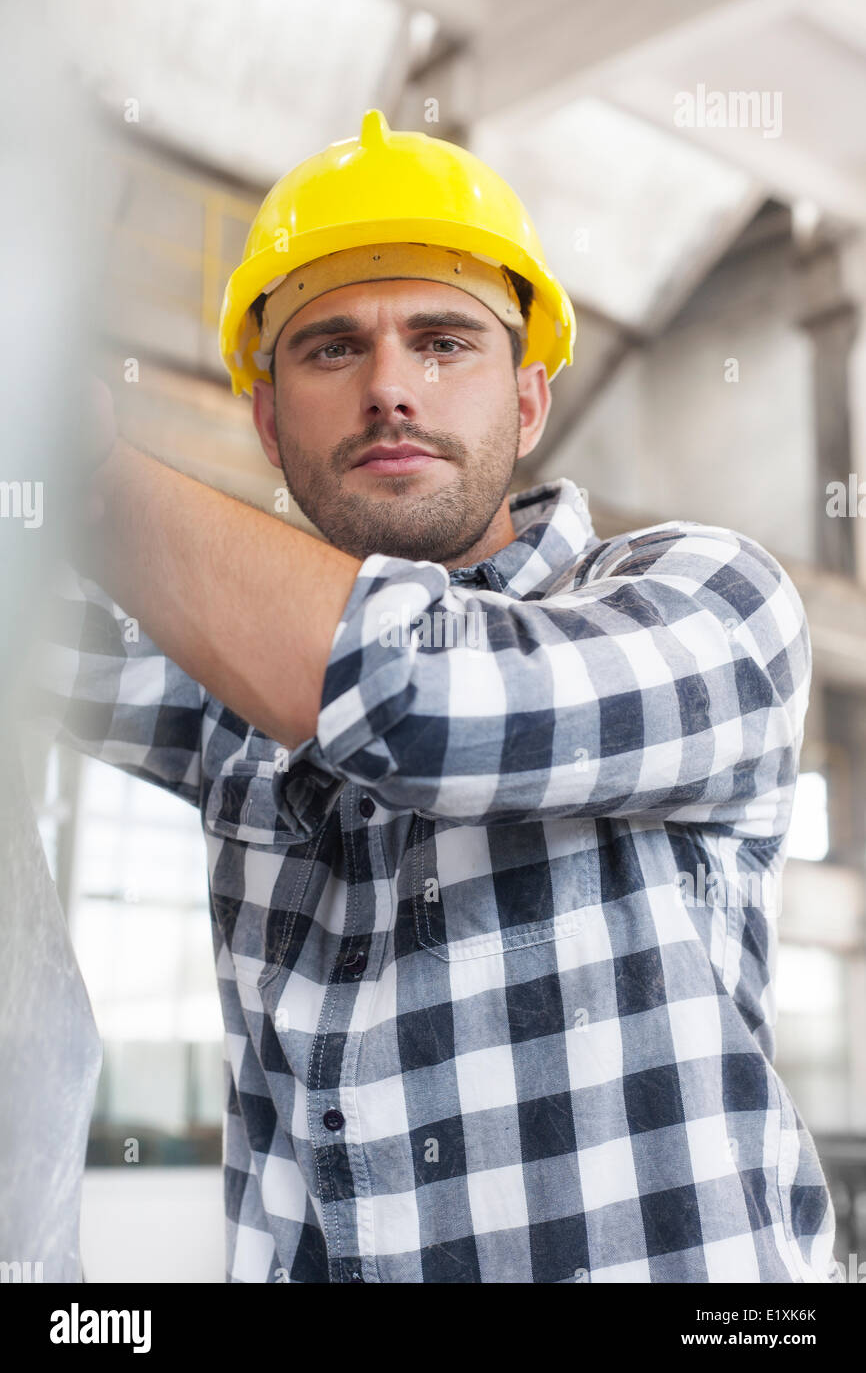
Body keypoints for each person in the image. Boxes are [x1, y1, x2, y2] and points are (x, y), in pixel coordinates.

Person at [22, 110, 840, 1283]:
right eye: (331, 347)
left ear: (527, 401)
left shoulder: (709, 601)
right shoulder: (233, 690)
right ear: (264, 417)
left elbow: (416, 699)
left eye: (445, 341)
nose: (390, 390)